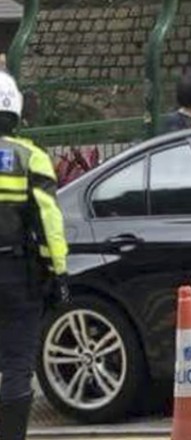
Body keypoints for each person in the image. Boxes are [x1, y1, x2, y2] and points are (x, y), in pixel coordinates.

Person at [0, 71, 70, 440]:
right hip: (16, 272)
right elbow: (48, 221)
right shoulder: (32, 158)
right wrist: (58, 271)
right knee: (16, 364)